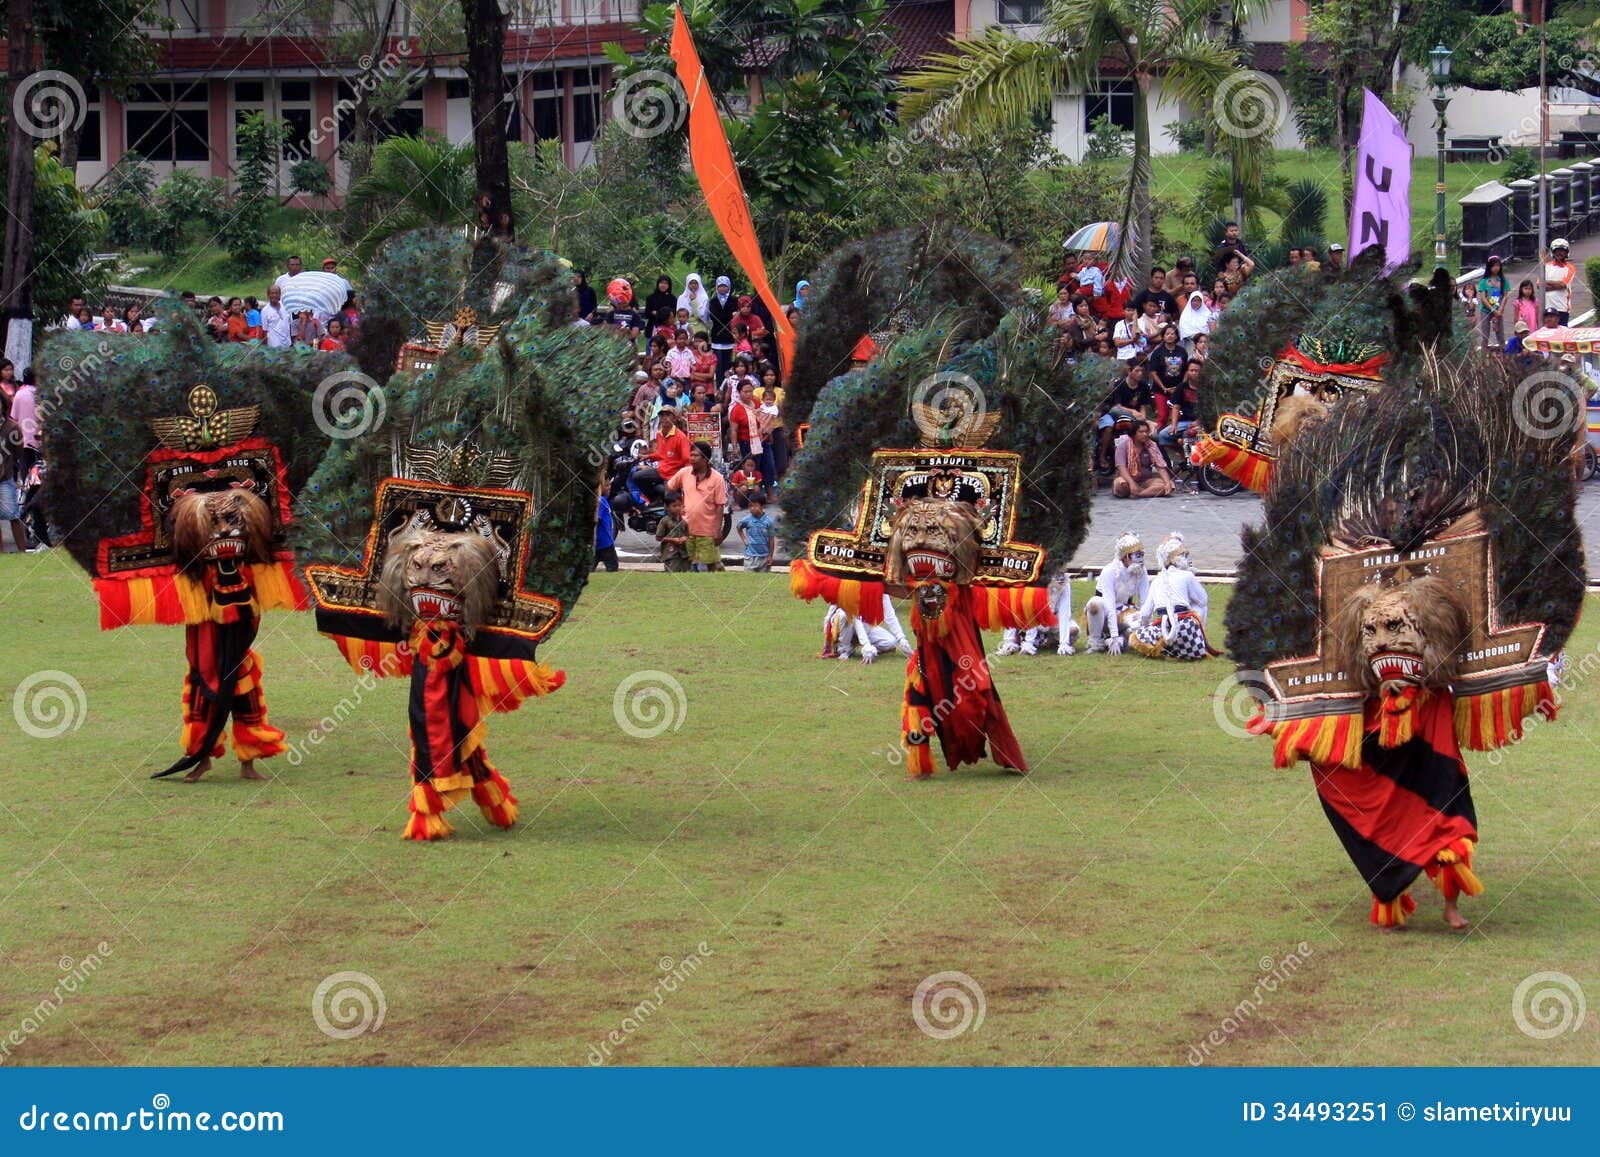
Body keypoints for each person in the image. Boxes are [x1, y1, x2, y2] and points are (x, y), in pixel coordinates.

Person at [668, 441, 729, 572]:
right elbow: (670, 487)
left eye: (696, 456)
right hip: (687, 529)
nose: (692, 458)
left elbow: (720, 506)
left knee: (709, 565)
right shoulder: (684, 473)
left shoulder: (717, 478)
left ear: (705, 459)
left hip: (708, 532)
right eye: (691, 455)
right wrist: (678, 505)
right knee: (690, 564)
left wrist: (718, 531)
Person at [1096, 361, 1152, 471]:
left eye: (1141, 371)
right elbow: (1117, 406)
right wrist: (1133, 413)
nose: (1140, 373)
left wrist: (1143, 420)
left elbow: (1143, 407)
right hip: (1113, 413)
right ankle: (1102, 456)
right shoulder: (1119, 385)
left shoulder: (1144, 386)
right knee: (1109, 426)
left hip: (1134, 417)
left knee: (1146, 429)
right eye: (1137, 371)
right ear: (1129, 371)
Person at [635, 405, 690, 504]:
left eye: (668, 415)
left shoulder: (680, 437)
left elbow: (687, 460)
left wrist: (685, 480)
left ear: (673, 418)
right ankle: (654, 500)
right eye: (662, 415)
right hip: (661, 471)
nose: (664, 418)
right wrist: (647, 456)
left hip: (673, 475)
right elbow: (661, 454)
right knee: (637, 476)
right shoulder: (659, 434)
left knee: (668, 500)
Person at [1113, 422, 1174, 498]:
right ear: (1134, 433)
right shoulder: (1123, 446)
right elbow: (1121, 467)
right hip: (1127, 480)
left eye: (1146, 432)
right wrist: (1132, 483)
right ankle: (1142, 491)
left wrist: (1167, 482)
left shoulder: (1152, 445)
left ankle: (1139, 494)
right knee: (1122, 486)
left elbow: (1160, 466)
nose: (1145, 434)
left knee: (1168, 485)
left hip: (1146, 481)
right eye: (1141, 432)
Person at [1149, 324, 1188, 426]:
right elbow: (1153, 372)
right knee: (1163, 415)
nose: (1170, 336)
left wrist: (1179, 387)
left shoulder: (1182, 351)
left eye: (1172, 334)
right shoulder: (1157, 352)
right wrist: (1164, 388)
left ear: (1176, 336)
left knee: (1178, 415)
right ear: (1163, 336)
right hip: (1160, 389)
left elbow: (1186, 371)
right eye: (1167, 334)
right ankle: (1160, 437)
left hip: (1177, 389)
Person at [1477, 256, 1510, 350]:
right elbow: (1483, 298)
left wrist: (1499, 310)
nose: (1496, 268)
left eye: (1498, 265)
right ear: (1489, 267)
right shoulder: (1484, 281)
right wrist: (1492, 310)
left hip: (1499, 310)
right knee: (1485, 336)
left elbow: (1505, 296)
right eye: (1493, 265)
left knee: (1500, 335)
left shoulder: (1503, 281)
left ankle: (1503, 357)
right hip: (1486, 310)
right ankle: (1483, 359)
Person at [708, 276, 739, 378]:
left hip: (730, 337)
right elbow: (714, 317)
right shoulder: (713, 301)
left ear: (729, 287)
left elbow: (735, 317)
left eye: (724, 286)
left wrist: (727, 317)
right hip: (717, 336)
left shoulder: (734, 300)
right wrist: (730, 315)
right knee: (719, 366)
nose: (722, 288)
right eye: (720, 286)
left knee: (730, 364)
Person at [738, 493, 776, 571]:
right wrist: (744, 539)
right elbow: (739, 528)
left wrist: (770, 556)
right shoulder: (746, 520)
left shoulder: (769, 522)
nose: (752, 508)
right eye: (750, 506)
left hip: (764, 557)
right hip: (750, 557)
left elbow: (772, 539)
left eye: (755, 506)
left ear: (762, 506)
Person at [1544, 239, 1576, 325]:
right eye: (1557, 251)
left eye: (1562, 251)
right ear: (1553, 252)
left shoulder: (1570, 268)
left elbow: (1563, 285)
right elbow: (1540, 285)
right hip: (1546, 306)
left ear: (1567, 253)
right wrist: (1557, 284)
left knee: (1562, 334)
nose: (1559, 253)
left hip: (1562, 308)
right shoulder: (1546, 266)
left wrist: (1546, 282)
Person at [656, 496, 690, 572]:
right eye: (674, 506)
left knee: (685, 574)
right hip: (671, 554)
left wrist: (686, 538)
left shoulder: (684, 520)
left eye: (680, 505)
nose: (678, 508)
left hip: (684, 553)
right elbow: (658, 537)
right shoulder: (665, 520)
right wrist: (672, 540)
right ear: (668, 507)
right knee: (672, 574)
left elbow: (689, 534)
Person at [593, 488, 618, 572]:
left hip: (601, 541)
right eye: (607, 485)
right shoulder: (601, 500)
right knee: (613, 567)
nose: (609, 488)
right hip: (604, 542)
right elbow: (596, 519)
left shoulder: (603, 500)